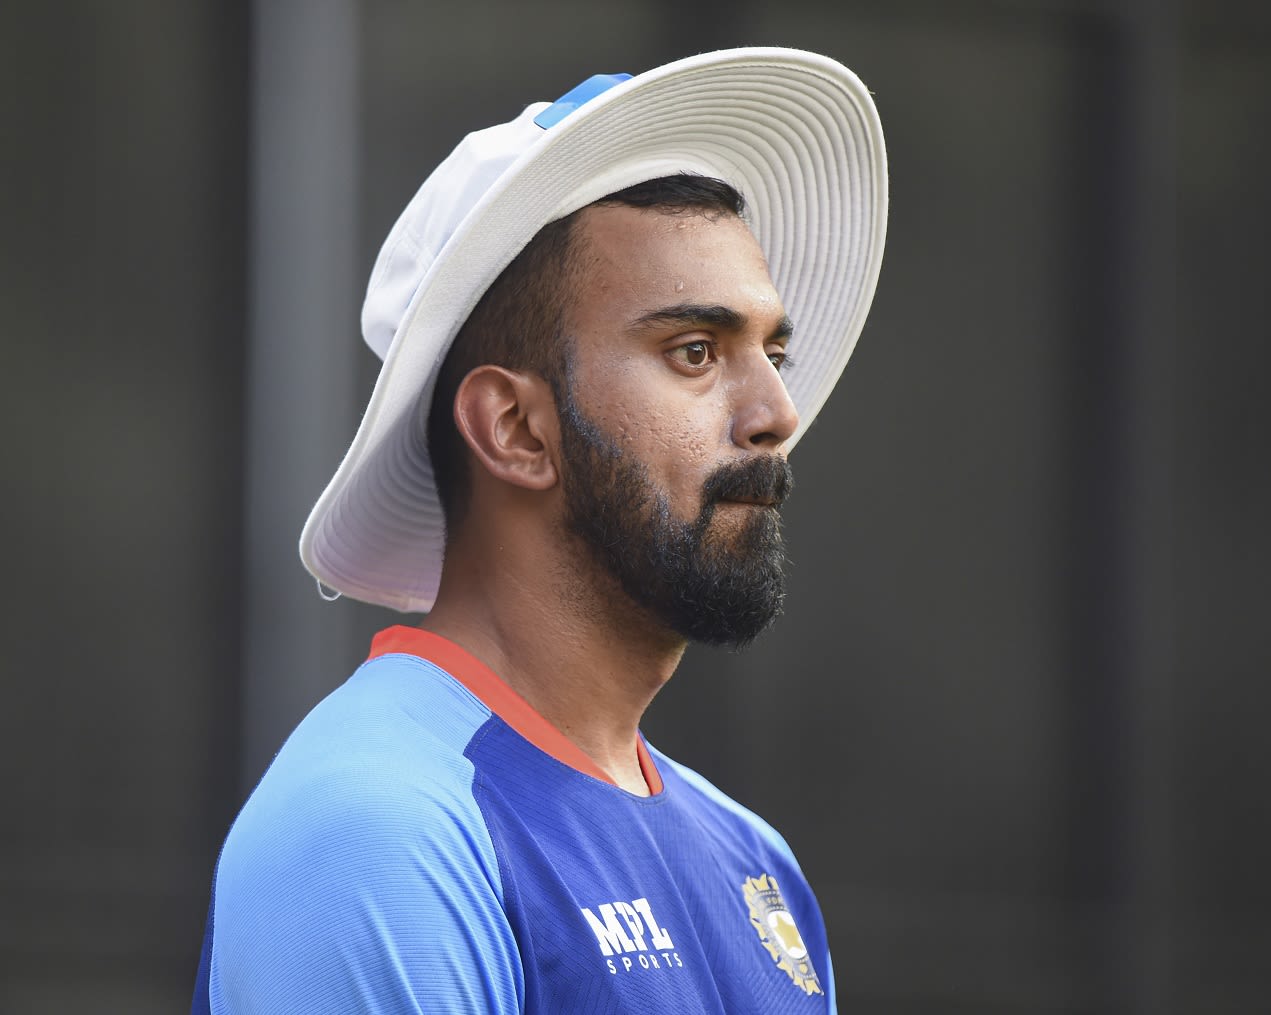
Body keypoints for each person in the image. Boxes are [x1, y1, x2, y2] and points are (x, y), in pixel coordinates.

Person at [194, 47, 886, 1014]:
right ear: (515, 428)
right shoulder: (378, 829)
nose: (777, 412)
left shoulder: (753, 860)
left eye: (772, 352)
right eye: (695, 351)